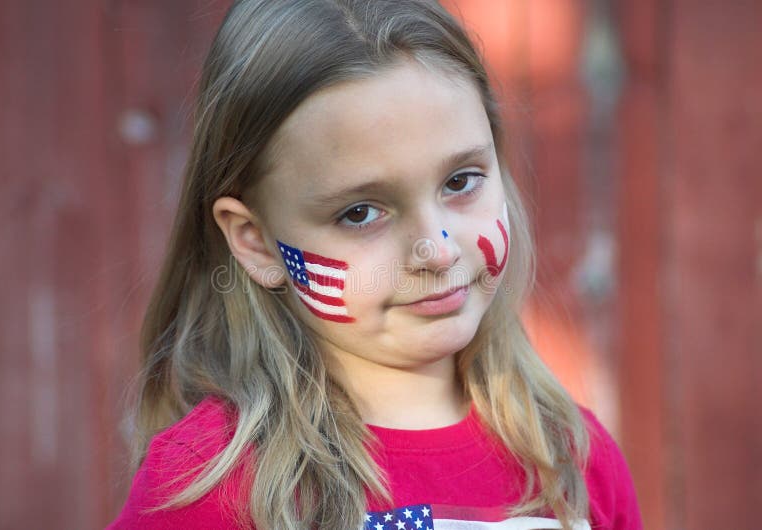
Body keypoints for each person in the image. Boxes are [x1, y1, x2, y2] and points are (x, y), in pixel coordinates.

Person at [107, 0, 642, 528]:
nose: (438, 249)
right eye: (361, 213)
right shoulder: (211, 487)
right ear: (256, 243)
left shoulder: (575, 461)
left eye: (461, 181)